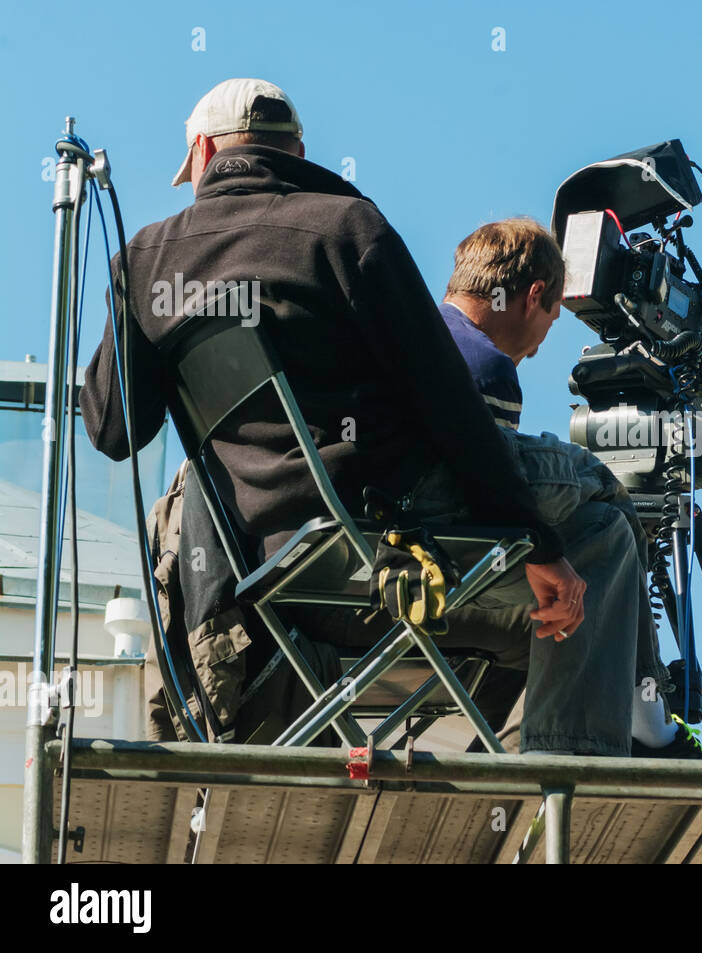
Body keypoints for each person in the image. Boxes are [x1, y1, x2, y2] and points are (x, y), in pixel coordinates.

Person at [77, 78, 630, 755]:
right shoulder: (346, 228)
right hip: (389, 545)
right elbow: (451, 405)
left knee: (556, 575)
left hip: (264, 577)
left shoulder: (146, 261)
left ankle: (546, 767)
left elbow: (111, 431)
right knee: (602, 507)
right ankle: (575, 777)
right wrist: (537, 542)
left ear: (200, 153)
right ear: (299, 149)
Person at [429, 218, 702, 757]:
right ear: (533, 296)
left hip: (360, 560)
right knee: (603, 507)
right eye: (552, 319)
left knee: (600, 526)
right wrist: (543, 548)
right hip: (440, 556)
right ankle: (635, 726)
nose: (535, 349)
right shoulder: (481, 363)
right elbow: (486, 490)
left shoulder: (411, 333)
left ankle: (638, 721)